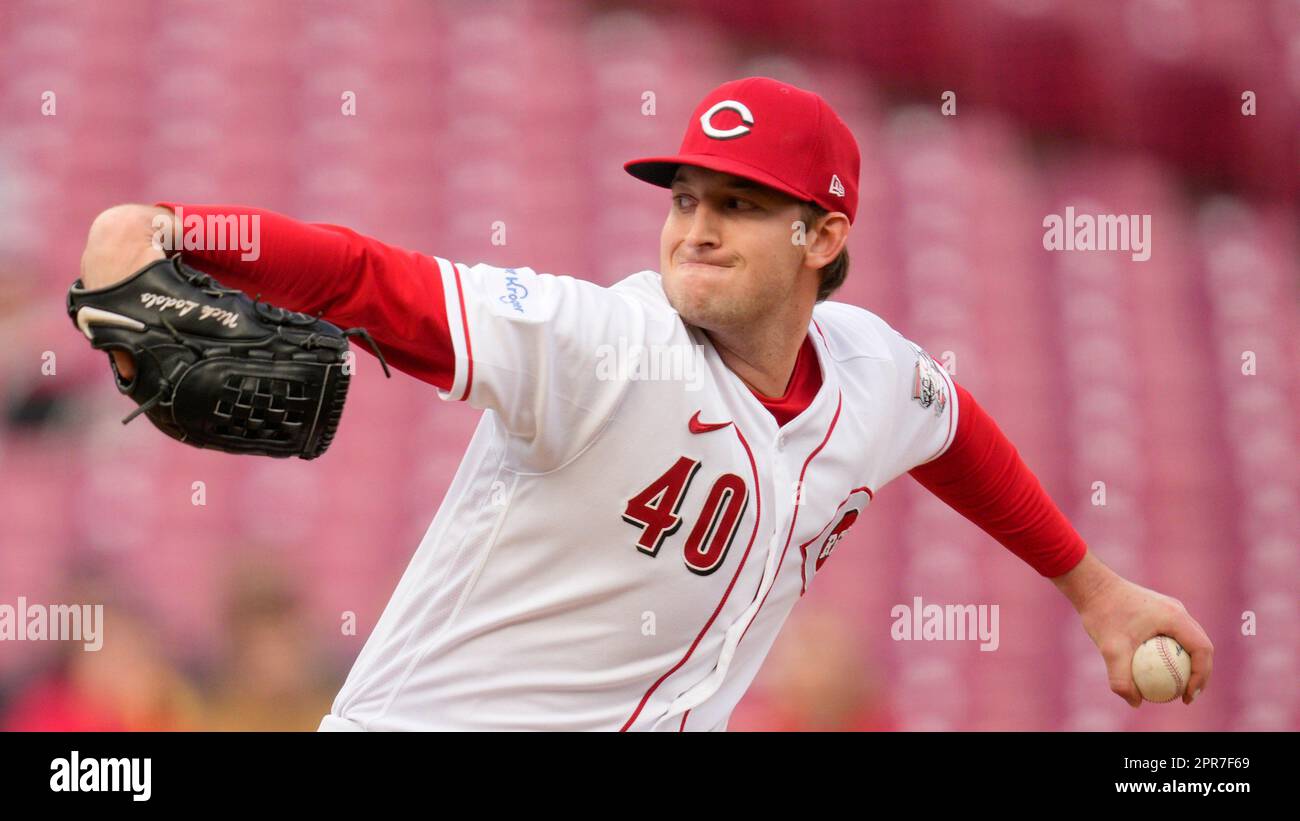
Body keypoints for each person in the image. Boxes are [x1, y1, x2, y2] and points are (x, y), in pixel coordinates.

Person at [76, 77, 1213, 731]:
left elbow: (952, 428)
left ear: (822, 237)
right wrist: (173, 228)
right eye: (683, 197)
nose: (693, 226)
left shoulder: (867, 367)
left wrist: (1097, 592)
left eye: (737, 203)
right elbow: (372, 278)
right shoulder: (601, 341)